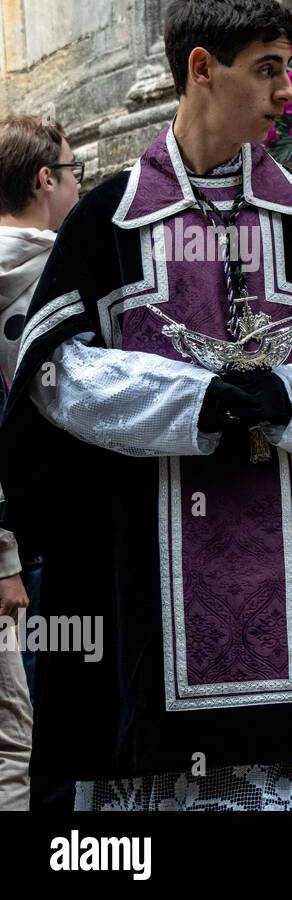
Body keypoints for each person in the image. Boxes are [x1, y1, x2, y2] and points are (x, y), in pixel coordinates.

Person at [0, 0, 292, 811]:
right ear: (202, 69)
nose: (287, 92)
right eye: (268, 69)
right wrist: (195, 401)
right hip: (143, 572)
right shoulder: (107, 221)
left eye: (291, 70)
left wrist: (283, 395)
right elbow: (55, 374)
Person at [0, 113, 82, 810]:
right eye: (75, 171)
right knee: (24, 742)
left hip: (33, 543)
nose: (81, 185)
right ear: (44, 178)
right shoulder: (42, 272)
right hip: (30, 551)